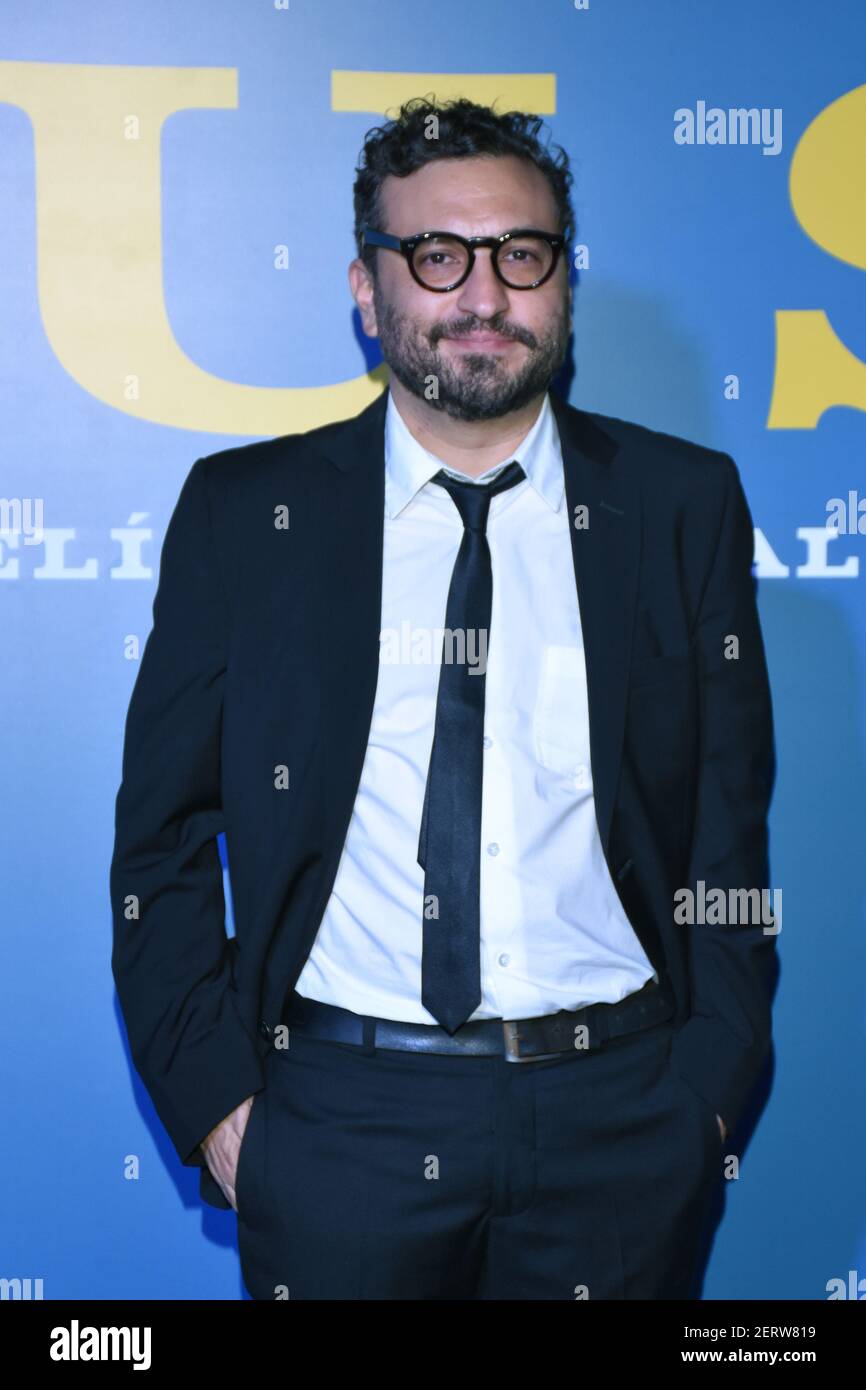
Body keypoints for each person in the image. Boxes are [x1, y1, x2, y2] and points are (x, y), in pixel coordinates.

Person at [110, 96, 776, 1300]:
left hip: (620, 1118)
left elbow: (729, 830)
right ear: (368, 291)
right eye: (436, 256)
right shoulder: (247, 515)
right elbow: (157, 844)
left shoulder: (680, 506)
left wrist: (703, 1100)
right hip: (341, 1124)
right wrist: (220, 1108)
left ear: (562, 281)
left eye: (520, 255)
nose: (482, 295)